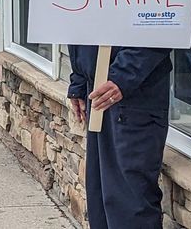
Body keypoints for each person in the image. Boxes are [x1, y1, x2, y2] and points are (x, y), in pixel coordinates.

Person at [67, 45, 173, 229]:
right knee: (100, 202)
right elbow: (82, 22)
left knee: (129, 205)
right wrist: (79, 79)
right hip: (98, 87)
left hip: (136, 92)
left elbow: (165, 26)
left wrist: (123, 75)